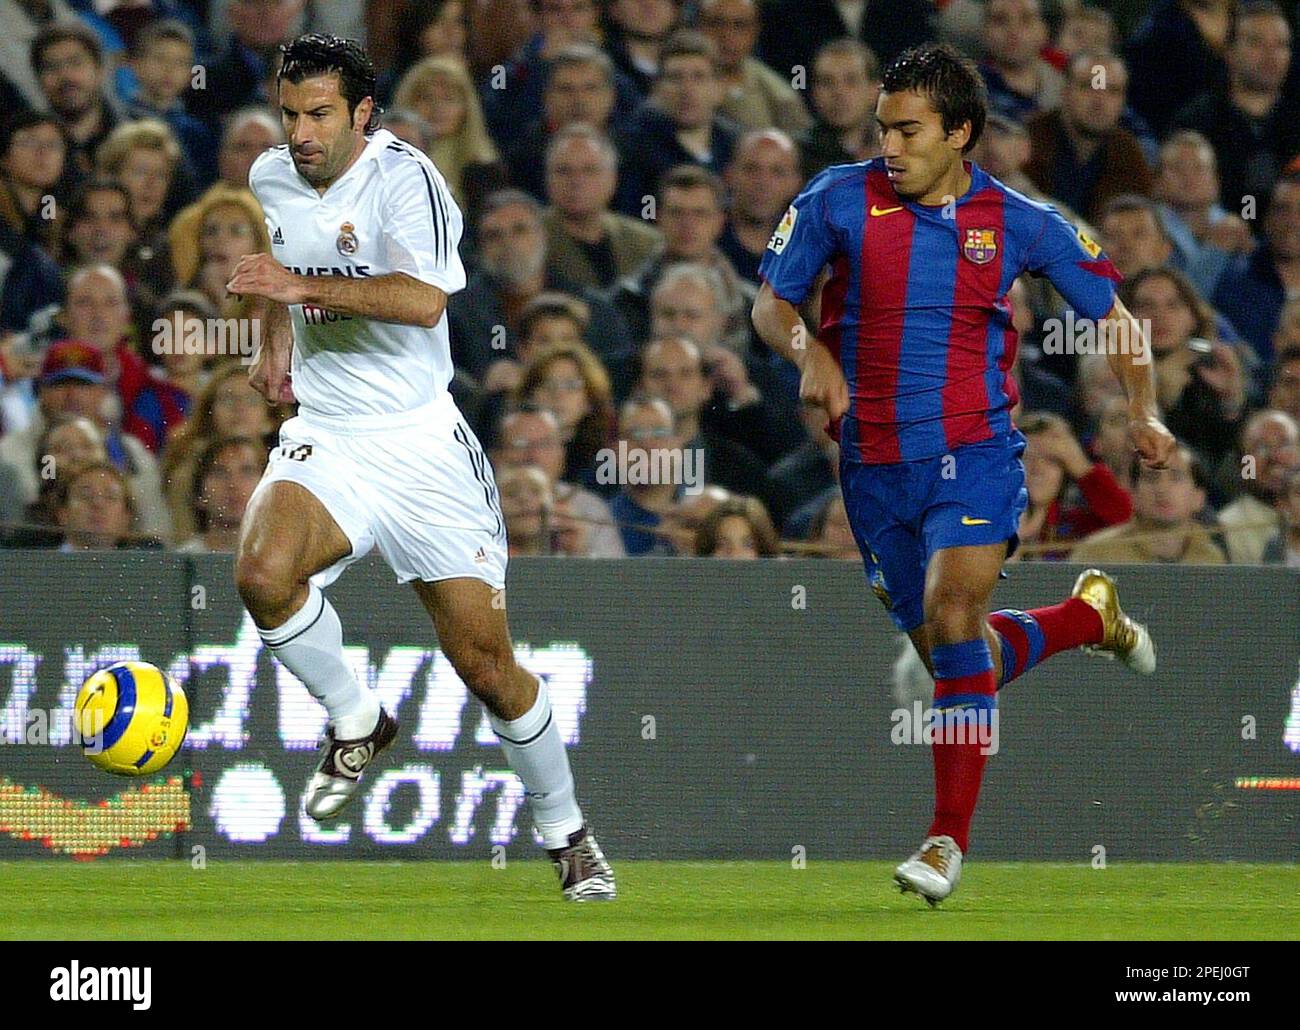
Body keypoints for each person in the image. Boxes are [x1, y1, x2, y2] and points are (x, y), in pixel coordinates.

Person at [750, 43, 1175, 906]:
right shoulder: (836, 198)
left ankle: (945, 843)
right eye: (882, 129)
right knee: (957, 655)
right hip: (872, 468)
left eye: (908, 131)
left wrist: (1144, 410)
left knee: (952, 614)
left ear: (960, 133)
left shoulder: (1020, 220)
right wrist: (809, 355)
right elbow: (771, 302)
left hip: (975, 455)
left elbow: (1118, 320)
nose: (890, 146)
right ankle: (1082, 619)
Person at [227, 34, 612, 899]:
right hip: (330, 432)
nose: (300, 132)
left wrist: (297, 295)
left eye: (320, 113)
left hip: (422, 446)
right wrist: (276, 340)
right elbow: (286, 267)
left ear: (363, 113)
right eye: (290, 113)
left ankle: (566, 828)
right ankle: (357, 719)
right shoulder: (270, 176)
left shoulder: (410, 181)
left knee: (485, 666)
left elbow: (424, 299)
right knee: (261, 573)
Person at [1070, 445, 1227, 565]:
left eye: (1176, 477)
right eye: (1151, 478)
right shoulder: (1096, 554)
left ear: (1198, 497)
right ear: (1133, 495)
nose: (1162, 489)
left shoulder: (1212, 559)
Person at [175, 434, 268, 554]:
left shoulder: (289, 562)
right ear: (199, 495)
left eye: (247, 471)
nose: (233, 484)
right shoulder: (180, 562)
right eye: (219, 473)